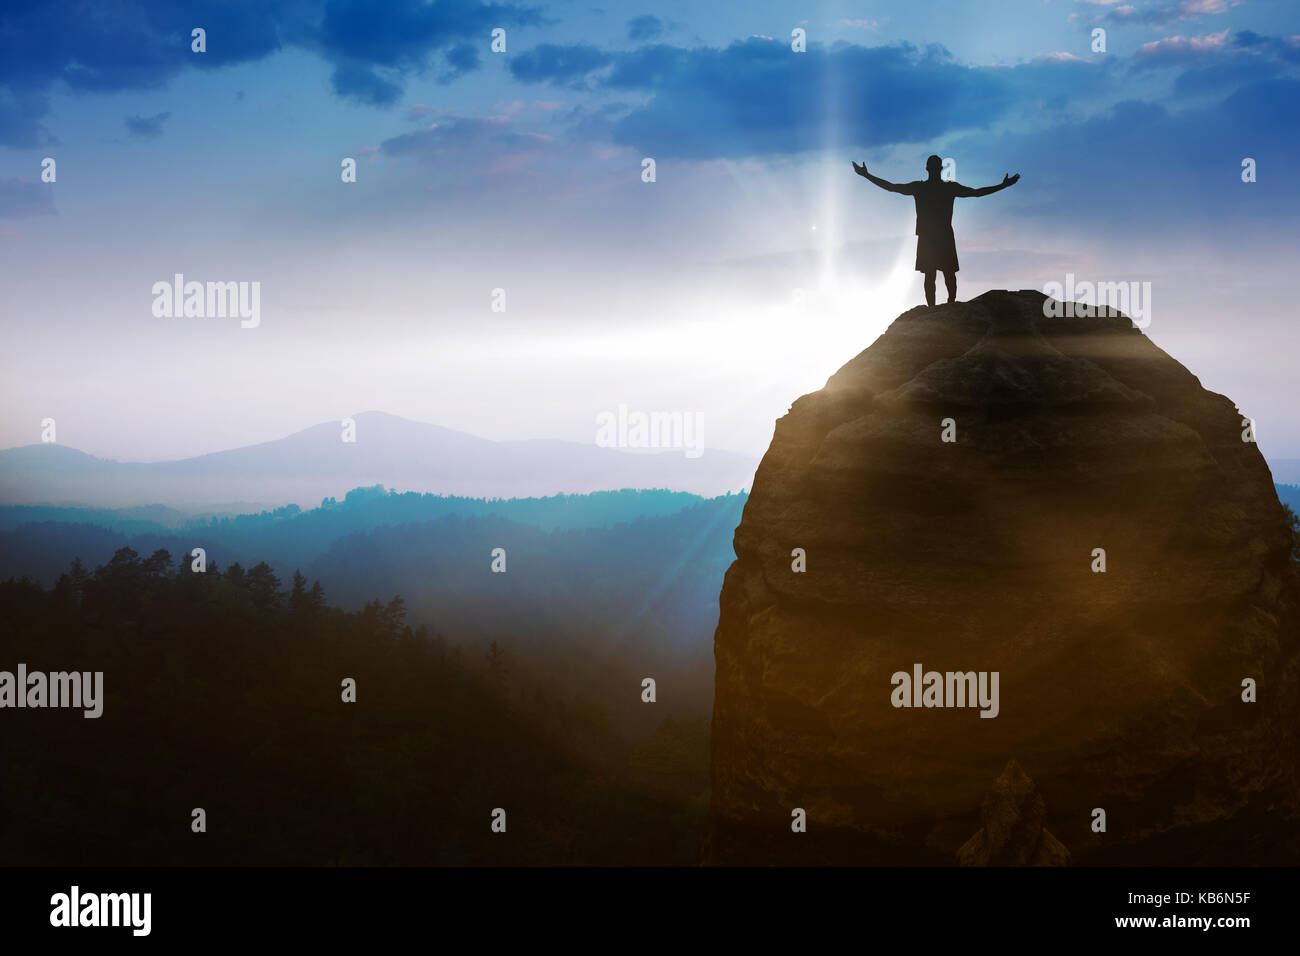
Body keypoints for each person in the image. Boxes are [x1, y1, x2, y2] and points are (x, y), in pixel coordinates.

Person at [853, 155, 1019, 307]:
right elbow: (976, 193)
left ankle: (942, 306)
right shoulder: (944, 188)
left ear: (928, 168)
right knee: (941, 274)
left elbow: (892, 187)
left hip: (933, 236)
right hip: (936, 236)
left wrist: (867, 175)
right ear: (939, 169)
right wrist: (1003, 185)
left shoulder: (925, 187)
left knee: (938, 274)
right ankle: (945, 305)